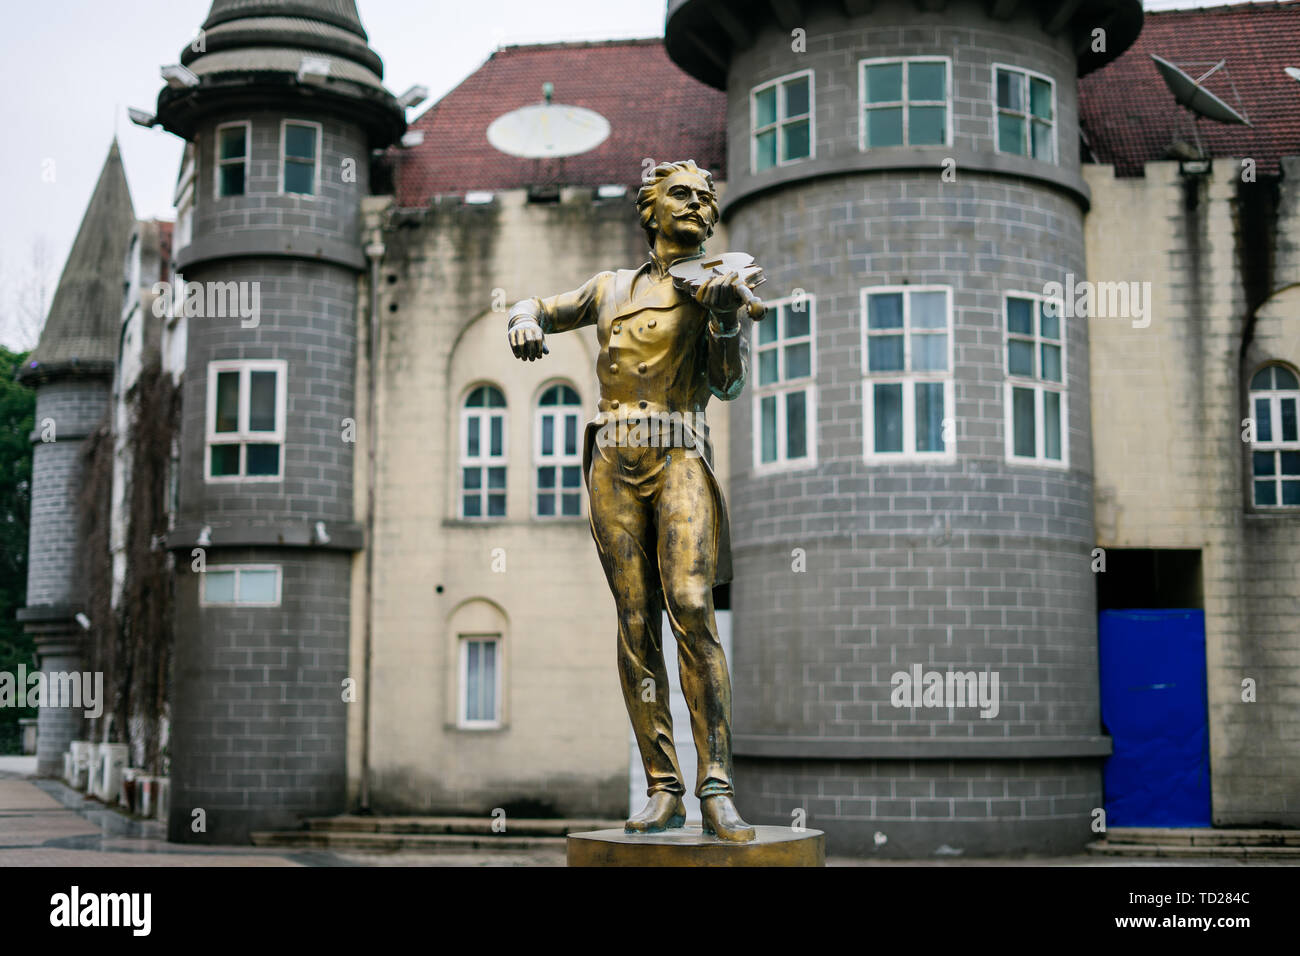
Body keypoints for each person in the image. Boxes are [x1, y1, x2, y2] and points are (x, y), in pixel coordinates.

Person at [506, 160, 757, 841]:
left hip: (678, 452)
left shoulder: (712, 286)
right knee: (634, 620)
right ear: (650, 211)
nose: (700, 206)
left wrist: (728, 319)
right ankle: (663, 786)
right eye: (683, 194)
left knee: (693, 607)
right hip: (614, 461)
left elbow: (728, 386)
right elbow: (535, 305)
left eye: (708, 199)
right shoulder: (609, 287)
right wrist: (523, 320)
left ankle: (717, 786)